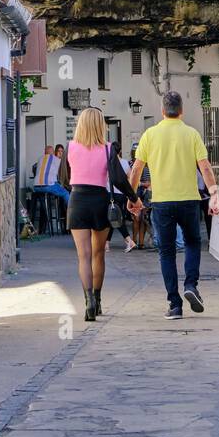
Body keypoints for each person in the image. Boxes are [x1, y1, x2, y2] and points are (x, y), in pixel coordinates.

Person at [128, 91, 219, 319]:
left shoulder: (150, 135)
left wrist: (133, 198)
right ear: (181, 111)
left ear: (162, 111)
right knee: (192, 242)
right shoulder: (191, 134)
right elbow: (205, 168)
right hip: (189, 200)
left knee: (166, 252)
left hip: (161, 203)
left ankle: (174, 304)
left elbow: (137, 169)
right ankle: (191, 285)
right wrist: (214, 193)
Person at [60, 108, 139, 321]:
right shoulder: (108, 149)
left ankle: (88, 302)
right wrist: (134, 198)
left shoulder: (69, 147)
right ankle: (98, 298)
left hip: (77, 201)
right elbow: (119, 179)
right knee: (98, 255)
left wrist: (76, 188)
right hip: (100, 201)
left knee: (83, 257)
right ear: (101, 125)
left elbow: (63, 178)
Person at [31, 145, 70, 231]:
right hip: (48, 187)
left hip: (36, 187)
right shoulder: (57, 160)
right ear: (53, 152)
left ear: (45, 152)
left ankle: (42, 227)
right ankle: (73, 214)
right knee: (66, 193)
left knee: (45, 197)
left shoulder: (40, 159)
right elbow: (63, 175)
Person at [106, 142, 136, 252]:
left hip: (110, 194)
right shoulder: (124, 163)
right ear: (120, 151)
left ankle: (129, 241)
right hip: (122, 194)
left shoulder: (109, 163)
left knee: (115, 218)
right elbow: (130, 178)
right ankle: (106, 244)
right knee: (112, 218)